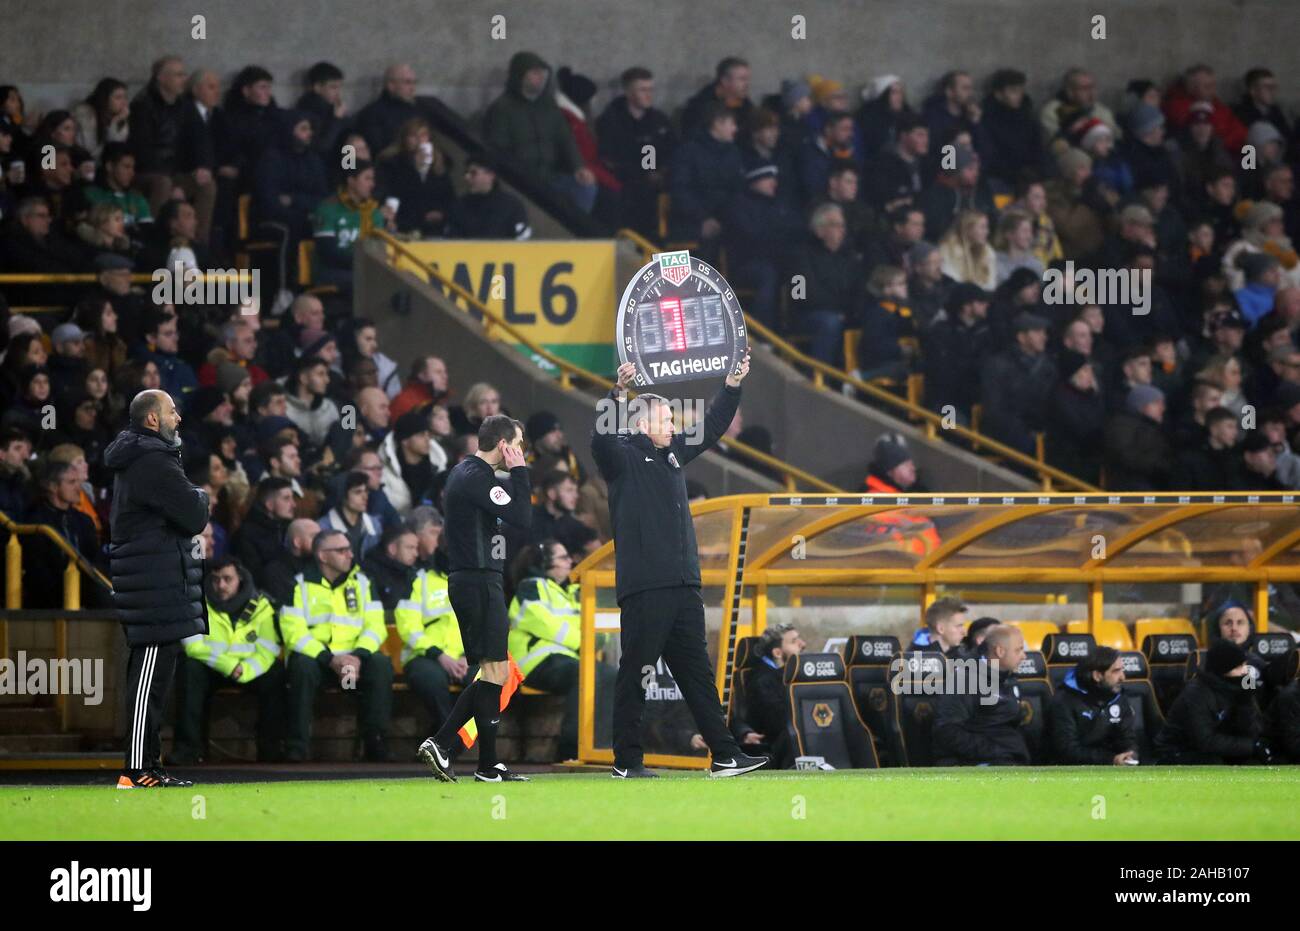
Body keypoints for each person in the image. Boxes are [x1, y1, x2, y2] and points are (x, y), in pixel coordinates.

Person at [591, 355, 768, 779]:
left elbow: (711, 427)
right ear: (640, 424)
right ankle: (627, 761)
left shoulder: (671, 455)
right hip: (647, 587)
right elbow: (599, 443)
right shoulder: (622, 458)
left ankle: (724, 754)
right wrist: (617, 394)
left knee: (697, 676)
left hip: (684, 585)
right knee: (636, 673)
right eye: (666, 418)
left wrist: (731, 385)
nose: (673, 425)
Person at [417, 414, 533, 783]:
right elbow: (522, 516)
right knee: (495, 671)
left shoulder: (466, 473)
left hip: (476, 580)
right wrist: (520, 472)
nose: (521, 450)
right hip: (478, 581)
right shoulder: (476, 477)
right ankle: (441, 743)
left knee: (494, 672)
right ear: (504, 445)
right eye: (518, 443)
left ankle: (487, 764)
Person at [105, 389, 210, 788]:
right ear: (152, 420)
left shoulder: (144, 457)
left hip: (155, 583)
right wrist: (201, 495)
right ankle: (136, 770)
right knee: (148, 678)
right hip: (152, 585)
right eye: (171, 411)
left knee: (153, 677)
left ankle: (149, 766)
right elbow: (194, 513)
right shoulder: (152, 460)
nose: (178, 417)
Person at [280, 528, 393, 762]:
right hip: (319, 661)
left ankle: (375, 743)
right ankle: (297, 747)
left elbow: (375, 626)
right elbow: (294, 633)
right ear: (322, 556)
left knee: (381, 665)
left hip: (355, 661)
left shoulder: (363, 582)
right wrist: (329, 659)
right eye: (341, 550)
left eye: (349, 549)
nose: (350, 554)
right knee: (302, 668)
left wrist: (358, 656)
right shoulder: (298, 584)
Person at [172, 555, 285, 764]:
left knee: (276, 674)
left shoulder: (261, 604)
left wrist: (245, 669)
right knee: (189, 669)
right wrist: (230, 666)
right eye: (215, 580)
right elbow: (193, 647)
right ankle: (188, 751)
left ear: (240, 579)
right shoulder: (195, 603)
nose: (221, 586)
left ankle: (271, 751)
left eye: (227, 579)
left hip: (248, 669)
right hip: (212, 668)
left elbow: (268, 649)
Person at [507, 539, 613, 762]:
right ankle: (570, 748)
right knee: (587, 675)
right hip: (538, 662)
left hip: (568, 659)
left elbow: (595, 626)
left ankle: (602, 745)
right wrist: (583, 642)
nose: (570, 562)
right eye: (563, 558)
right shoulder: (532, 586)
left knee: (612, 676)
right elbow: (545, 624)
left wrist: (596, 639)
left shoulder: (573, 592)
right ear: (546, 563)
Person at [482, 51, 594, 212]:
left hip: (551, 175)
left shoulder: (549, 106)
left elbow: (565, 139)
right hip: (522, 179)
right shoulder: (502, 109)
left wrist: (578, 167)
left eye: (543, 73)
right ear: (520, 76)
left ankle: (577, 234)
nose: (540, 77)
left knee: (586, 187)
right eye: (535, 73)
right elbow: (498, 149)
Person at [396, 511, 472, 735]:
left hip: (466, 658)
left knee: (485, 681)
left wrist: (469, 657)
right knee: (432, 680)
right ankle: (447, 738)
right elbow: (408, 626)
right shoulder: (418, 580)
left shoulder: (475, 581)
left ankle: (456, 741)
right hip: (424, 656)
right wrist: (440, 655)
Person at [1154, 639, 1271, 765]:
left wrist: (1246, 704)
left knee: (1256, 762)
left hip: (1217, 749)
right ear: (1223, 669)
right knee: (1214, 763)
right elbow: (1205, 741)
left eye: (1244, 664)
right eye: (1238, 667)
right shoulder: (1196, 694)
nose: (1244, 671)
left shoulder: (1242, 685)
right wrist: (1251, 746)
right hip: (1177, 752)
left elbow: (1254, 730)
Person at [932, 624, 1030, 766]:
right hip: (977, 764)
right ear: (1000, 651)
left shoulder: (1009, 679)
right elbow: (947, 731)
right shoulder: (965, 680)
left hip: (1009, 760)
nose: (1024, 656)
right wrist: (998, 752)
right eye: (1018, 650)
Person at [1048, 646, 1139, 765]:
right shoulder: (1064, 700)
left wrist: (1130, 755)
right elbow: (1067, 750)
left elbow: (1128, 739)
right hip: (1070, 773)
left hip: (1112, 768)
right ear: (1097, 676)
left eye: (1122, 670)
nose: (1123, 677)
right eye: (1116, 671)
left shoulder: (1119, 697)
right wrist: (1110, 760)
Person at [732, 623, 805, 769]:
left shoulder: (797, 675)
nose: (802, 644)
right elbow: (780, 723)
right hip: (776, 748)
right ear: (777, 653)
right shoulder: (761, 681)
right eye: (794, 641)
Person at [444, 153, 532, 240]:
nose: (467, 177)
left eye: (473, 173)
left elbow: (522, 236)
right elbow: (451, 239)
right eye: (466, 172)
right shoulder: (459, 205)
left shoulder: (511, 205)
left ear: (491, 175)